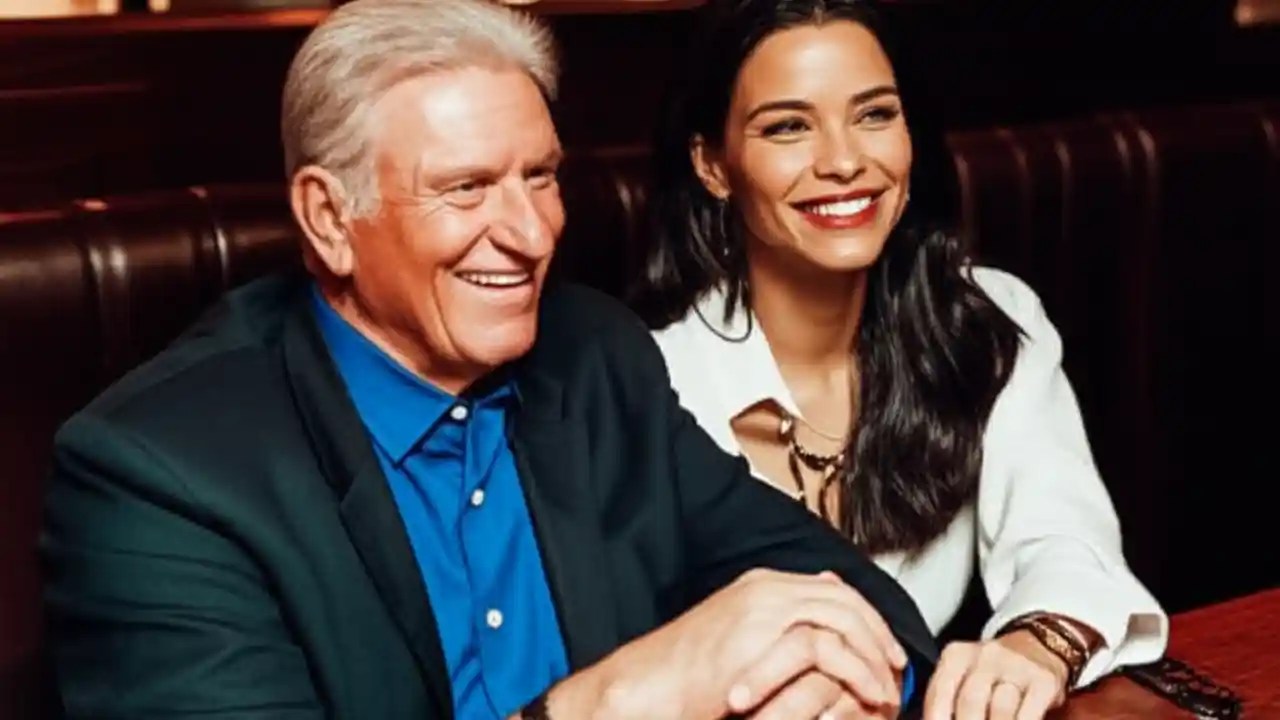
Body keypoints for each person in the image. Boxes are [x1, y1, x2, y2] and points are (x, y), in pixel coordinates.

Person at [41, 0, 938, 718]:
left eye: (540, 177)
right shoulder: (159, 474)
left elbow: (864, 605)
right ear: (327, 218)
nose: (529, 233)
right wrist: (610, 705)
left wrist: (827, 686)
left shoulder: (594, 358)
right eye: (465, 187)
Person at [631, 0, 1168, 718]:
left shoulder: (983, 319)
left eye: (875, 114)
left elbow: (1066, 541)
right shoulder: (645, 380)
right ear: (713, 164)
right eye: (789, 126)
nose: (845, 160)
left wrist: (1033, 647)